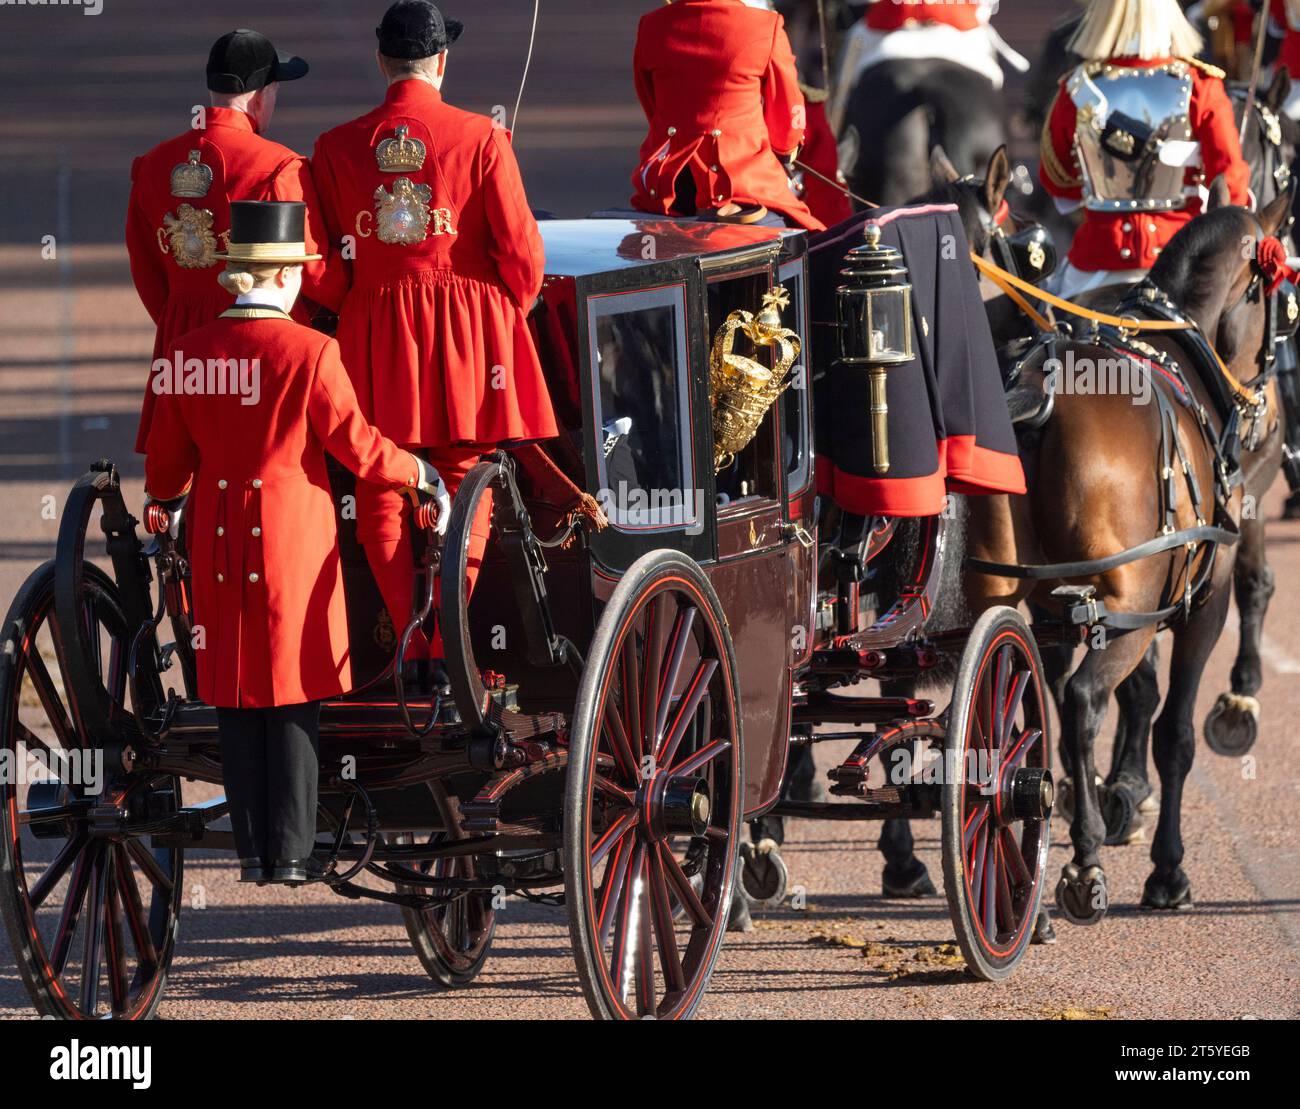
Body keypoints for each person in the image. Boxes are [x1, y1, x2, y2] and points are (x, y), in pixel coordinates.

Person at [143, 201, 447, 885]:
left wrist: (166, 499)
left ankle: (253, 848)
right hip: (292, 535)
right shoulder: (311, 351)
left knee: (235, 690)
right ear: (281, 274)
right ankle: (291, 850)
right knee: (293, 692)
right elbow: (361, 449)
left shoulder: (189, 354)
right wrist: (417, 471)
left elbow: (166, 468)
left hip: (217, 533)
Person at [310, 1, 557, 679]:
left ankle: (406, 641)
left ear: (384, 63)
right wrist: (499, 311)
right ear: (442, 61)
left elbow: (323, 268)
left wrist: (357, 298)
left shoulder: (334, 147)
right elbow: (523, 260)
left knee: (381, 480)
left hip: (372, 333)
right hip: (466, 332)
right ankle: (449, 635)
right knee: (464, 470)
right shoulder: (482, 137)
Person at [126, 29, 342, 455]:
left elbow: (146, 266)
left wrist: (180, 317)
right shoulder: (279, 166)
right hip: (264, 335)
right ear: (262, 96)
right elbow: (314, 270)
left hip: (181, 334)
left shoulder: (152, 166)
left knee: (186, 460)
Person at [1038, 0, 1251, 297]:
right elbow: (1231, 182)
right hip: (1181, 260)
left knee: (1042, 327)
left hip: (1097, 259)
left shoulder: (1075, 88)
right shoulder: (1201, 86)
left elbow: (1057, 180)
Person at [629, 0, 824, 230]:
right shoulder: (765, 26)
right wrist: (785, 152)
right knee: (811, 242)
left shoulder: (651, 26)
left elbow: (651, 105)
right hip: (744, 184)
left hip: (667, 190)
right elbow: (788, 130)